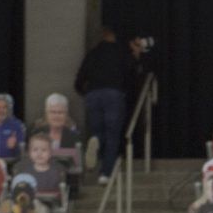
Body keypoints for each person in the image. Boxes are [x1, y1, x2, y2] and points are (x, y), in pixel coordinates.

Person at [74, 27, 136, 182]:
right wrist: (135, 55)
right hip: (114, 95)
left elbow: (79, 80)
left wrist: (86, 93)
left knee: (97, 131)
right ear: (114, 37)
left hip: (93, 95)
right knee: (112, 134)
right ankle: (105, 173)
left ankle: (95, 142)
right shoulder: (120, 52)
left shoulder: (92, 54)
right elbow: (132, 71)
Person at [30, 92, 82, 166]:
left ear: (66, 115)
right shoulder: (36, 134)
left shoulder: (74, 137)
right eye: (53, 112)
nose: (56, 116)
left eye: (60, 112)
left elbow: (77, 164)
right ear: (46, 114)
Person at [14, 133, 67, 197]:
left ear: (50, 153)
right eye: (35, 150)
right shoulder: (24, 173)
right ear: (30, 153)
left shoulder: (57, 173)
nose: (39, 153)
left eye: (44, 150)